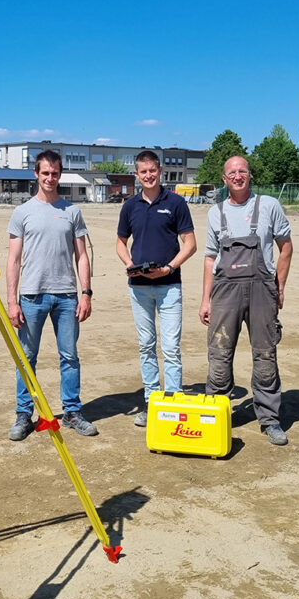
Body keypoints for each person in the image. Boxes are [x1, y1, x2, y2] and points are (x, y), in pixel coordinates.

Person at [198, 156, 293, 446]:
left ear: (250, 175)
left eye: (242, 171)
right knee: (219, 354)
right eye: (231, 173)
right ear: (224, 179)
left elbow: (285, 247)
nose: (237, 176)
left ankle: (269, 418)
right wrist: (205, 300)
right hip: (224, 292)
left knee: (265, 354)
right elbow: (210, 258)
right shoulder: (216, 213)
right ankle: (218, 414)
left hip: (262, 290)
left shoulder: (269, 206)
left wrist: (280, 286)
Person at [6, 150, 98, 440]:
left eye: (55, 173)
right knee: (27, 357)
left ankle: (71, 411)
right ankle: (24, 414)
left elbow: (82, 256)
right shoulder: (22, 212)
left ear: (60, 175)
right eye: (45, 173)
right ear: (36, 173)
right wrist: (12, 300)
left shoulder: (72, 211)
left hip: (67, 296)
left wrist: (86, 294)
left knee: (69, 356)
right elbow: (13, 259)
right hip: (32, 296)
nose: (50, 178)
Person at [116, 150, 196, 426]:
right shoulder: (130, 206)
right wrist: (129, 263)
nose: (148, 175)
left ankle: (173, 401)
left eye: (152, 170)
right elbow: (120, 243)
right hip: (138, 287)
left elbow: (190, 244)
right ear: (136, 174)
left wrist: (169, 268)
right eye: (143, 172)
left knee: (171, 347)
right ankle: (152, 401)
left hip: (169, 285)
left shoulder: (175, 203)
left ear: (160, 170)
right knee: (146, 345)